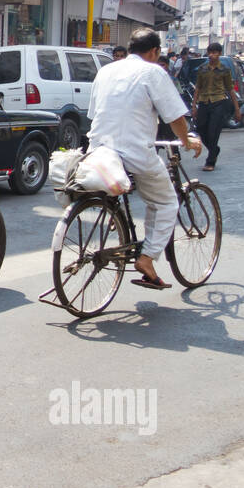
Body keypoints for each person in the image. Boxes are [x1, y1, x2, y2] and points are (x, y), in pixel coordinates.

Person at [87, 28, 203, 291]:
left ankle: (124, 231)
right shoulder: (153, 72)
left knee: (141, 194)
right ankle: (148, 258)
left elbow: (94, 113)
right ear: (154, 52)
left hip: (99, 150)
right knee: (165, 200)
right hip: (134, 151)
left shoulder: (106, 70)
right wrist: (186, 140)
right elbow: (175, 117)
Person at [190, 42, 240, 172]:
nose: (212, 55)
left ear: (219, 54)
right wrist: (194, 106)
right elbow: (198, 88)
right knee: (201, 129)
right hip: (204, 102)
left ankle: (210, 161)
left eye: (215, 53)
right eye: (210, 52)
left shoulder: (224, 70)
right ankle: (214, 149)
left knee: (213, 132)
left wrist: (237, 109)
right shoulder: (202, 69)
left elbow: (230, 89)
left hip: (219, 102)